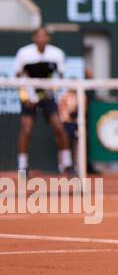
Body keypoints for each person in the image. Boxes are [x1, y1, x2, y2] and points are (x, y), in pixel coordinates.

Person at [14, 26, 73, 177]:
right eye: (38, 36)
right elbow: (19, 77)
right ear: (34, 38)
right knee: (26, 128)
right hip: (28, 95)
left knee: (59, 126)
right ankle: (22, 167)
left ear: (48, 38)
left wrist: (47, 92)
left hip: (47, 95)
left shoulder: (57, 54)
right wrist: (28, 96)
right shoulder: (24, 53)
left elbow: (58, 77)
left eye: (44, 36)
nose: (41, 39)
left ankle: (66, 164)